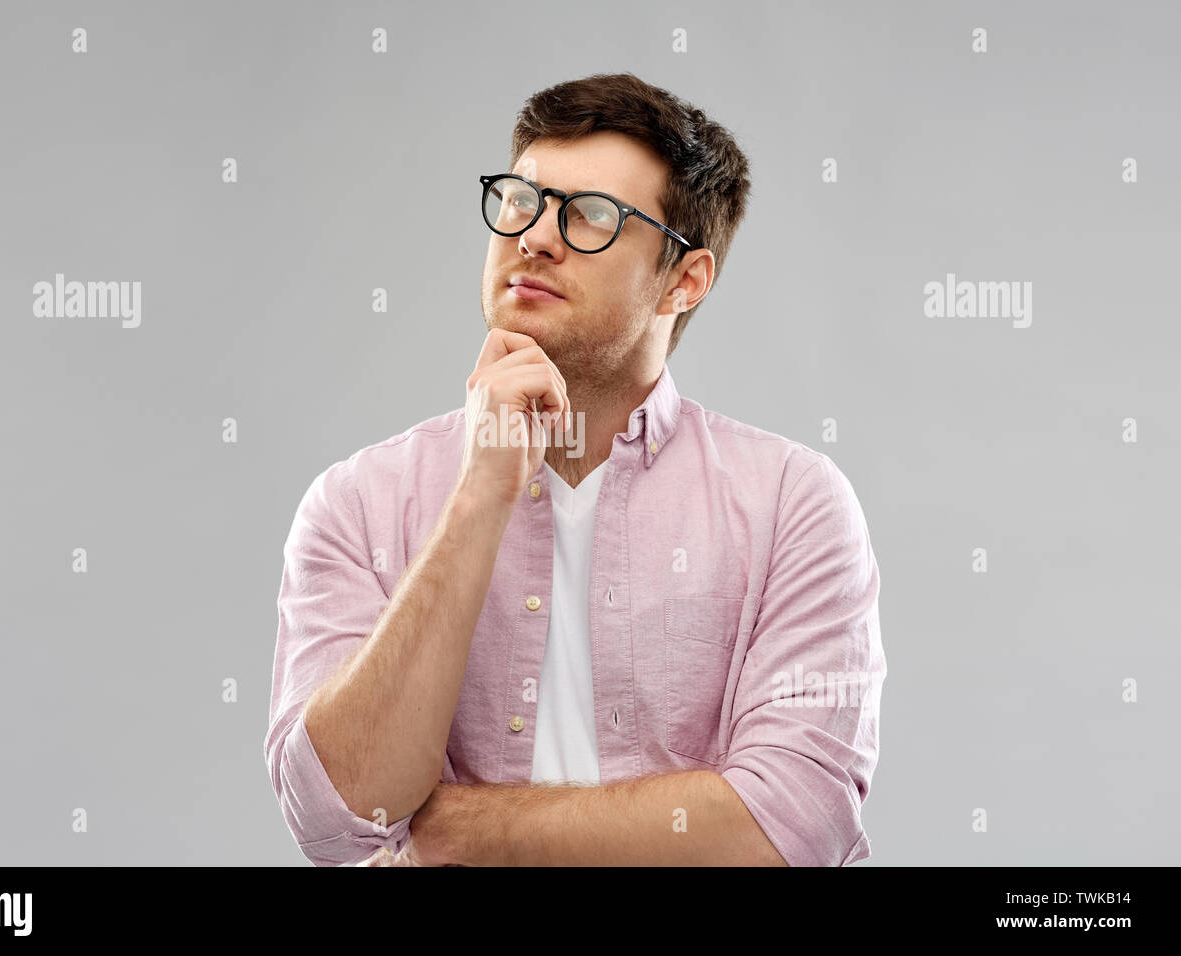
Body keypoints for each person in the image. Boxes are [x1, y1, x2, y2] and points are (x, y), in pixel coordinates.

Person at [265, 72, 885, 866]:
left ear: (683, 282)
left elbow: (791, 823)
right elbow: (342, 814)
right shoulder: (357, 504)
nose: (533, 237)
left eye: (590, 216)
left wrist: (454, 832)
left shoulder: (792, 503)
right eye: (521, 201)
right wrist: (484, 489)